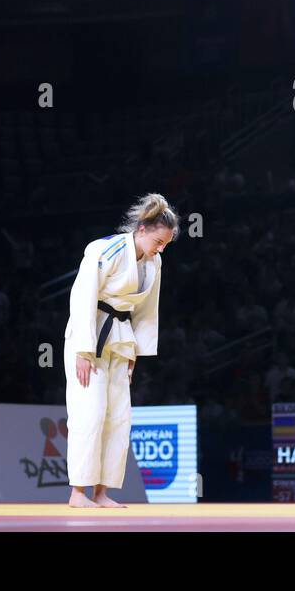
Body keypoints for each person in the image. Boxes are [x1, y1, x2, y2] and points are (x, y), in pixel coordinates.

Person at [64, 193, 179, 508]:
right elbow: (82, 298)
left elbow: (147, 312)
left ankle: (102, 492)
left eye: (166, 244)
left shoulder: (154, 261)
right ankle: (78, 493)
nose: (161, 248)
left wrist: (134, 356)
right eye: (158, 241)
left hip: (121, 338)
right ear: (141, 229)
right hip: (89, 334)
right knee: (90, 412)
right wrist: (84, 351)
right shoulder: (105, 249)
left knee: (119, 418)